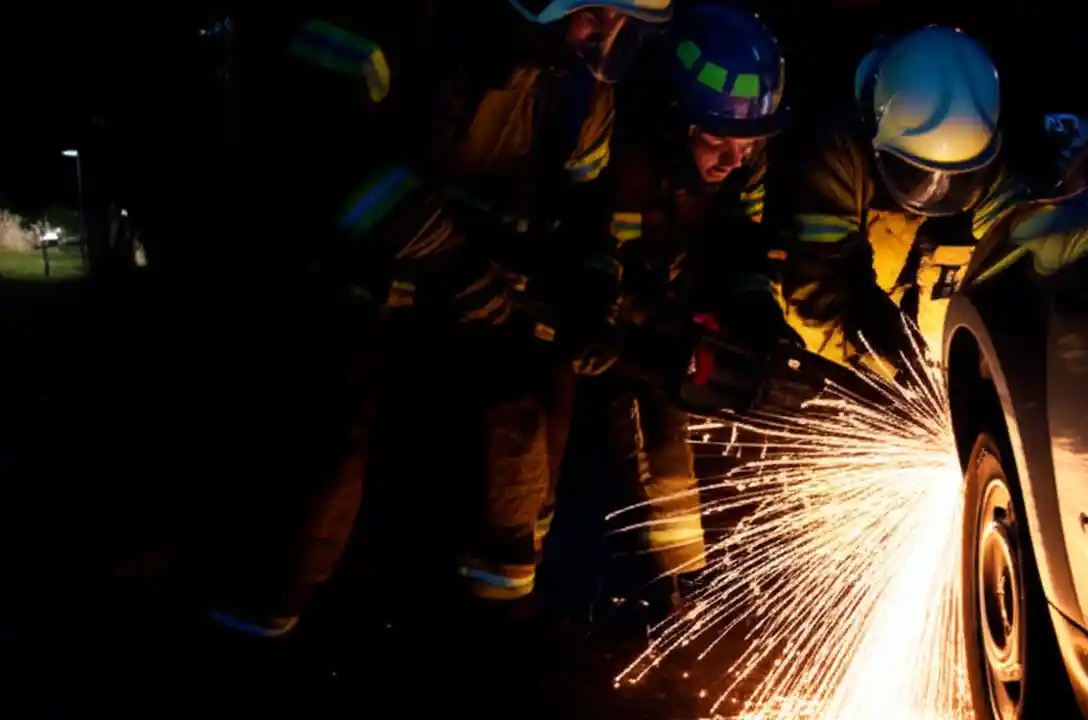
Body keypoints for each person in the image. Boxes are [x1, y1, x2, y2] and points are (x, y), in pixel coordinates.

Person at [204, 0, 674, 637]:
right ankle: (255, 620)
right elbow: (330, 156)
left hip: (475, 280)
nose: (602, 37)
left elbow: (587, 200)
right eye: (595, 13)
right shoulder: (406, 21)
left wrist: (593, 289)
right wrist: (450, 264)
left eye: (621, 26)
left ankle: (500, 622)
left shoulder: (576, 83)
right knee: (326, 436)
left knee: (531, 411)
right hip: (335, 262)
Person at [574, 2, 794, 614]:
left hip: (666, 315)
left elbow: (740, 240)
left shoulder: (741, 158)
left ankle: (679, 586)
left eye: (748, 147)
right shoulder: (629, 153)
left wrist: (758, 315)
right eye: (717, 142)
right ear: (677, 120)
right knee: (615, 444)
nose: (733, 161)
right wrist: (660, 331)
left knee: (672, 440)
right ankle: (622, 596)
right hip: (593, 322)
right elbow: (599, 266)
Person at [772, 26, 1027, 376]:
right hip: (844, 345)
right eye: (918, 172)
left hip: (923, 341)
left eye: (956, 179)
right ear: (877, 132)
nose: (936, 191)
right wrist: (887, 367)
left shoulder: (980, 152)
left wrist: (1041, 235)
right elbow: (817, 298)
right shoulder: (836, 154)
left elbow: (1015, 238)